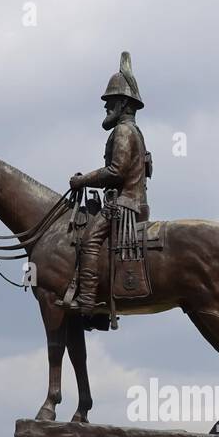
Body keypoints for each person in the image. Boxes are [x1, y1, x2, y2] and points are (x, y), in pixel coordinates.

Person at [62, 51, 152, 314]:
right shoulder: (135, 131)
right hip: (131, 203)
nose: (105, 107)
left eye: (110, 102)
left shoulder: (123, 131)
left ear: (124, 104)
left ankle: (87, 301)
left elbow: (116, 172)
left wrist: (82, 181)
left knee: (89, 240)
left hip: (124, 205)